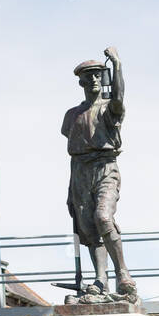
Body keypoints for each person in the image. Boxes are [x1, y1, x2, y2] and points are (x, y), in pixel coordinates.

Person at [61, 46, 137, 302]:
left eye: (98, 75)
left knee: (103, 218)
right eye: (89, 76)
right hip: (80, 171)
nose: (94, 79)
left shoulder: (109, 109)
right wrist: (72, 189)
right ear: (80, 81)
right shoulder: (72, 115)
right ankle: (100, 278)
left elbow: (119, 96)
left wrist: (117, 64)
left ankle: (122, 273)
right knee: (89, 227)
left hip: (105, 167)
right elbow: (71, 143)